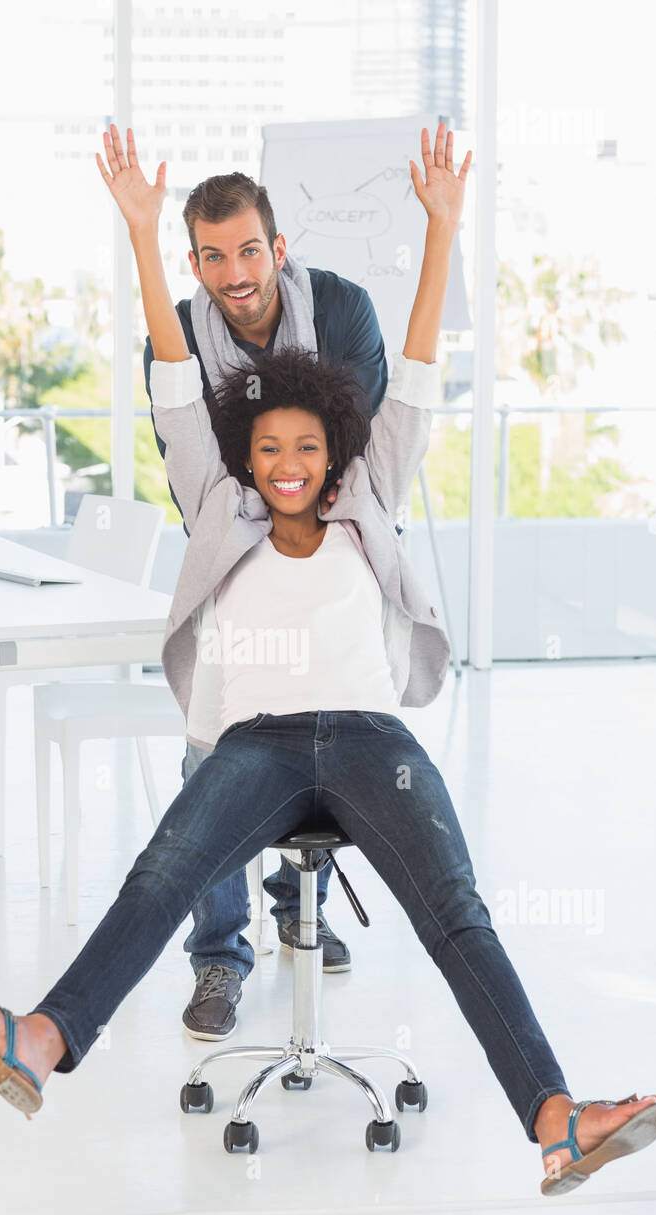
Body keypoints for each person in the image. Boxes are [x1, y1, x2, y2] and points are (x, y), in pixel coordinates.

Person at [0, 123, 656, 1196]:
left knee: (455, 907)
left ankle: (554, 1116)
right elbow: (175, 383)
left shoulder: (368, 497)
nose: (283, 465)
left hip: (371, 746)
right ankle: (39, 1039)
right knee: (164, 873)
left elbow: (413, 376)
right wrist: (139, 232)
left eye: (304, 447)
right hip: (257, 749)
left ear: (336, 451)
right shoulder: (221, 509)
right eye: (265, 448)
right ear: (243, 456)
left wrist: (445, 227)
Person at [142, 165, 392, 1037]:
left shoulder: (344, 309)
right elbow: (202, 470)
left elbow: (354, 441)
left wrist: (290, 492)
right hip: (240, 568)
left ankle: (300, 905)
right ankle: (218, 961)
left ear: (277, 249)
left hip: (330, 566)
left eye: (248, 249)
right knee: (213, 761)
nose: (235, 272)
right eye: (213, 257)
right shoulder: (178, 336)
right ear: (196, 264)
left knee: (312, 739)